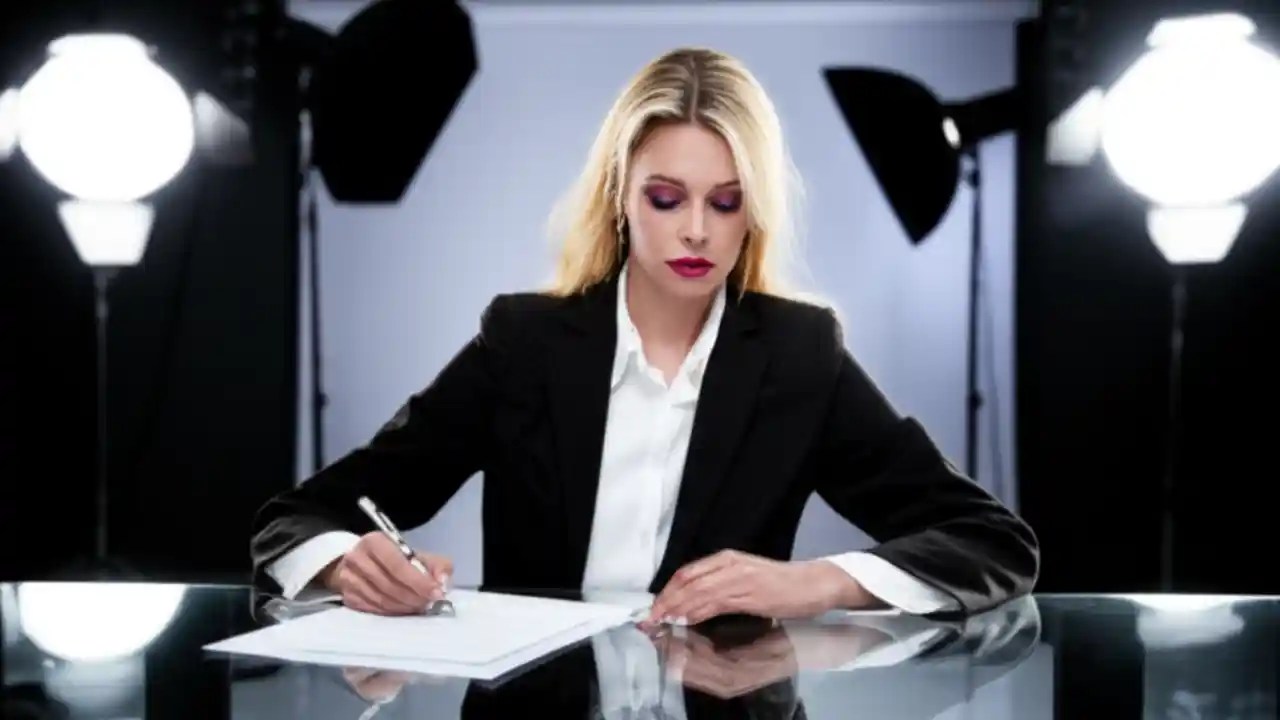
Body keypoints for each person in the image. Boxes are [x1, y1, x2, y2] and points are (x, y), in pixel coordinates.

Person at [249, 46, 1039, 629]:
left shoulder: (801, 355)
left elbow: (994, 543)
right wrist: (347, 563)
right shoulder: (522, 342)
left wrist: (815, 583)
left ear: (752, 212)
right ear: (621, 197)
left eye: (726, 203)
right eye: (666, 198)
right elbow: (299, 518)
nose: (696, 230)